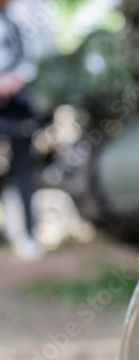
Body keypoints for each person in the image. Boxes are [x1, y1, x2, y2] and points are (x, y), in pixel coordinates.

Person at [0, 0, 53, 260]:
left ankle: (28, 234)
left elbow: (41, 54)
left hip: (21, 105)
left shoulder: (29, 13)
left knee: (23, 168)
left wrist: (16, 78)